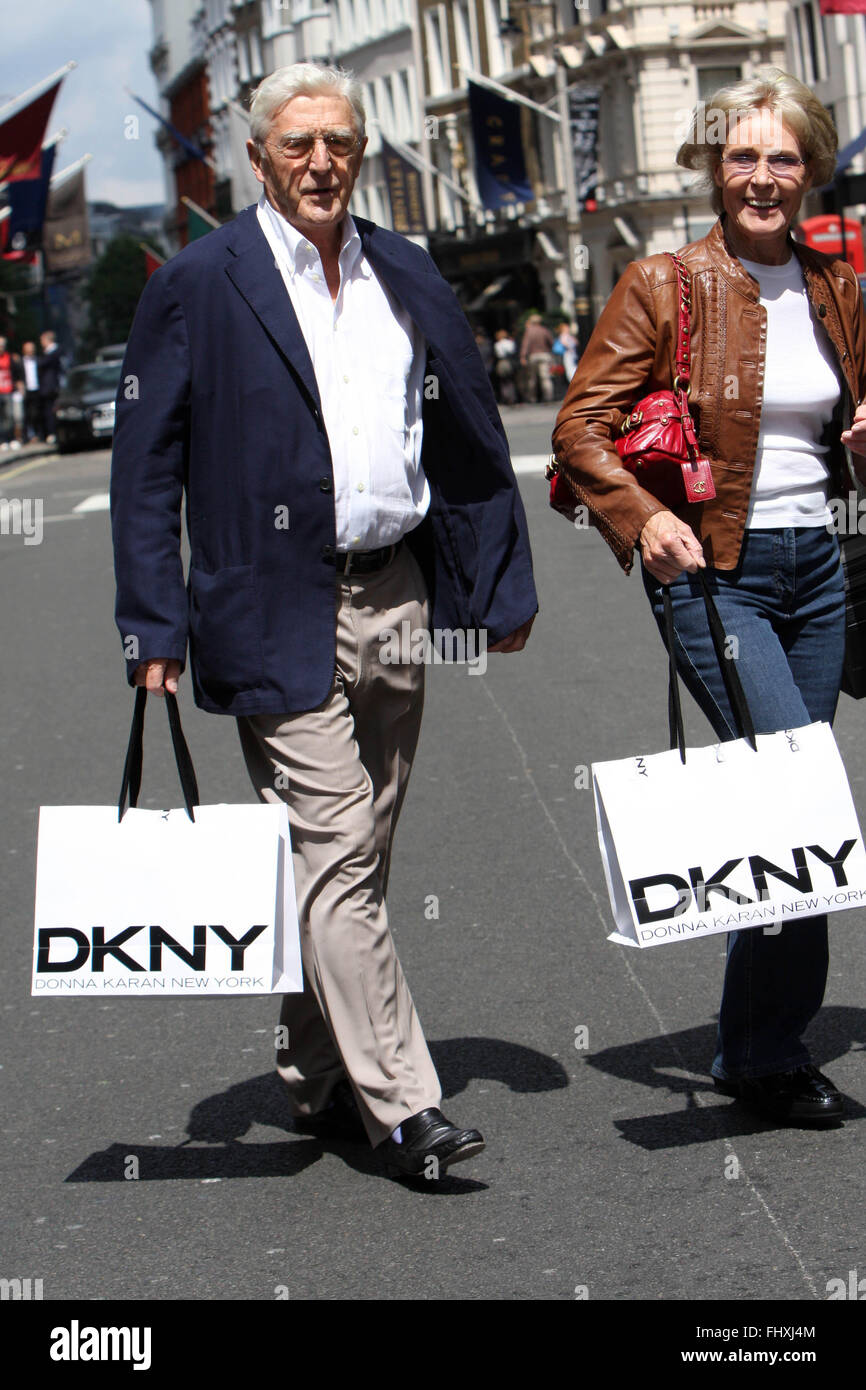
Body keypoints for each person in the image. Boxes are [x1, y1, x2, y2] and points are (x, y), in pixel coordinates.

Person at [111, 62, 537, 1180]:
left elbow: (467, 434)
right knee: (337, 846)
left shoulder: (404, 269)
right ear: (257, 159)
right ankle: (402, 1107)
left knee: (357, 854)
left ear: (360, 154)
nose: (318, 163)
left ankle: (314, 1070)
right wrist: (150, 626)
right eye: (295, 144)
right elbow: (145, 471)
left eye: (337, 143)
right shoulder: (201, 283)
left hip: (392, 590)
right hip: (268, 599)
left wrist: (492, 587)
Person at [552, 69, 866, 1127]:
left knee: (776, 809)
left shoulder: (832, 288)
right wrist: (641, 518)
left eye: (782, 157)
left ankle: (748, 1043)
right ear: (710, 168)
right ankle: (767, 1054)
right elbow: (578, 426)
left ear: (809, 169)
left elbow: (847, 429)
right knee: (801, 800)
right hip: (714, 575)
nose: (762, 177)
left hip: (817, 573)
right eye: (741, 156)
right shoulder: (663, 283)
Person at [519, 312, 554, 403]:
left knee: (532, 378)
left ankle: (532, 398)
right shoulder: (544, 330)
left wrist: (523, 356)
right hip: (544, 354)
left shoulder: (529, 331)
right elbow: (551, 342)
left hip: (533, 355)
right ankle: (548, 397)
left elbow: (525, 344)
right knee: (545, 377)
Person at [37, 329, 63, 443]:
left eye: (42, 340)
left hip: (51, 387)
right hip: (51, 386)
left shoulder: (53, 352)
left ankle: (53, 433)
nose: (41, 342)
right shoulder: (52, 352)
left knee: (51, 410)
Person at [20, 341, 41, 442]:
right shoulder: (20, 362)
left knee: (37, 413)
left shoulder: (39, 360)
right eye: (29, 350)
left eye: (32, 350)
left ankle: (38, 434)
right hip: (26, 390)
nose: (31, 352)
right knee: (26, 415)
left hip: (37, 389)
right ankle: (26, 436)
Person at [493, 327, 518, 405]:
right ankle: (512, 397)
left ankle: (506, 397)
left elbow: (497, 354)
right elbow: (512, 351)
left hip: (502, 362)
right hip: (509, 362)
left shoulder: (497, 344)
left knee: (503, 381)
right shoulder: (510, 343)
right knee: (510, 380)